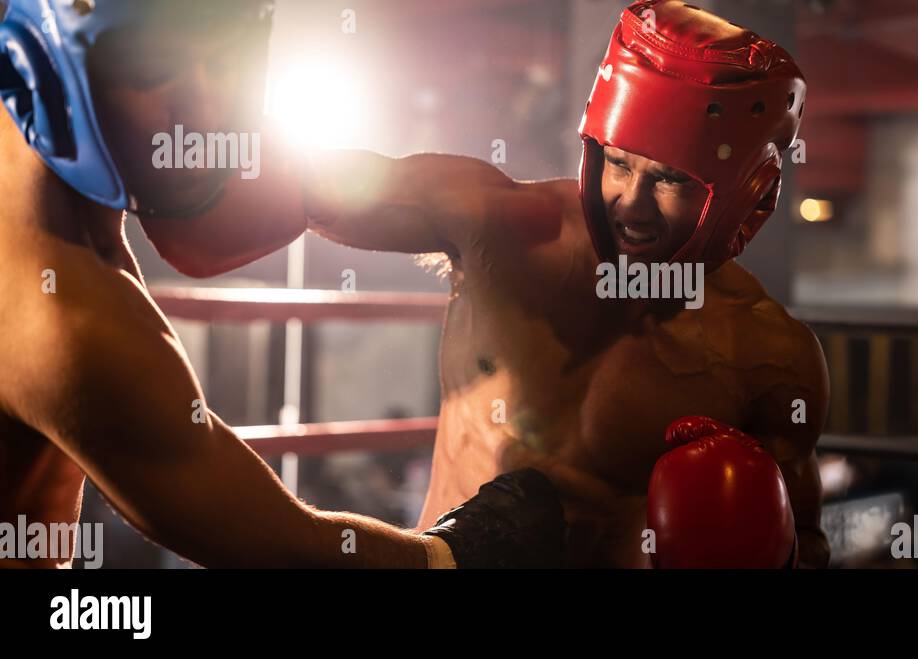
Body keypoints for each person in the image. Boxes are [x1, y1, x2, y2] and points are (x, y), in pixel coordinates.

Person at [0, 0, 565, 569]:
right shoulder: (67, 323)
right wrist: (454, 554)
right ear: (40, 71)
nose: (203, 107)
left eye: (224, 61)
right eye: (150, 68)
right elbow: (283, 547)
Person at [288, 0, 830, 567]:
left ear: (751, 195)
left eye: (671, 179)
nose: (632, 205)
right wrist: (223, 156)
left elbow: (809, 542)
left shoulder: (768, 357)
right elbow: (311, 190)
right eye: (619, 164)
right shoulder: (506, 230)